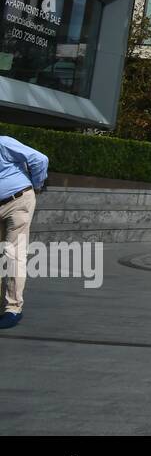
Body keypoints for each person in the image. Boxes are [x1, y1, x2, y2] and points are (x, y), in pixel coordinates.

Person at [0, 135, 49, 330]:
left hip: (17, 202)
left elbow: (40, 159)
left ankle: (13, 309)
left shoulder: (3, 143)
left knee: (13, 254)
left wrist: (37, 185)